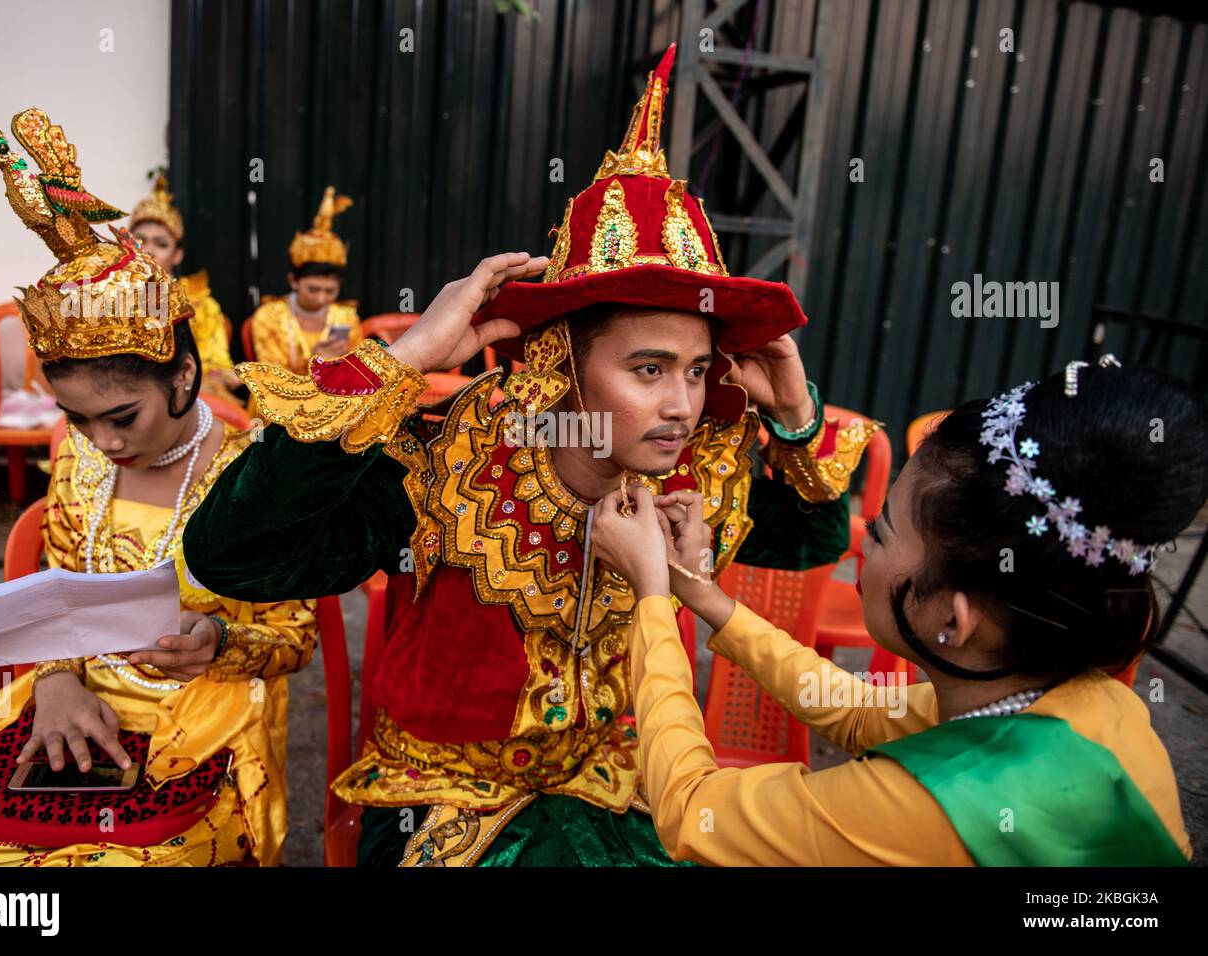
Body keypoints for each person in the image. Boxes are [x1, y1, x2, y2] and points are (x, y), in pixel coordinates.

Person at [182, 45, 875, 866]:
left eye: (694, 371)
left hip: (613, 787)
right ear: (561, 363)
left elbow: (811, 543)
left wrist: (795, 413)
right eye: (647, 369)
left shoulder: (688, 473)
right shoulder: (451, 463)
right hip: (445, 804)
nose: (683, 405)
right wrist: (401, 366)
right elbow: (236, 555)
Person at [595, 359, 1203, 865]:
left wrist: (652, 594)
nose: (860, 542)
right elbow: (861, 714)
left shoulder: (931, 804)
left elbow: (690, 812)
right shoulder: (1088, 703)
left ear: (954, 620)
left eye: (880, 534)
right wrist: (702, 593)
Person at [0, 109, 315, 867]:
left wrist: (220, 642)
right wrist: (59, 681)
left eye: (121, 415)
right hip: (79, 719)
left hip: (205, 728)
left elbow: (295, 639)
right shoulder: (81, 461)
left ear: (184, 376)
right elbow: (53, 592)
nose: (103, 441)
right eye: (78, 418)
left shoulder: (255, 477)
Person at [129, 172, 242, 404]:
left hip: (186, 397)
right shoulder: (106, 298)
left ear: (177, 254)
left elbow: (215, 365)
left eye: (161, 244)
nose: (148, 250)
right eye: (140, 241)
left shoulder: (199, 304)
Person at [248, 186, 363, 375]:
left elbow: (358, 373)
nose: (321, 299)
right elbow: (269, 379)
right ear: (293, 281)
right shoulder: (269, 316)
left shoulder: (347, 318)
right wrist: (311, 362)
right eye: (313, 289)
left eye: (330, 291)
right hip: (280, 400)